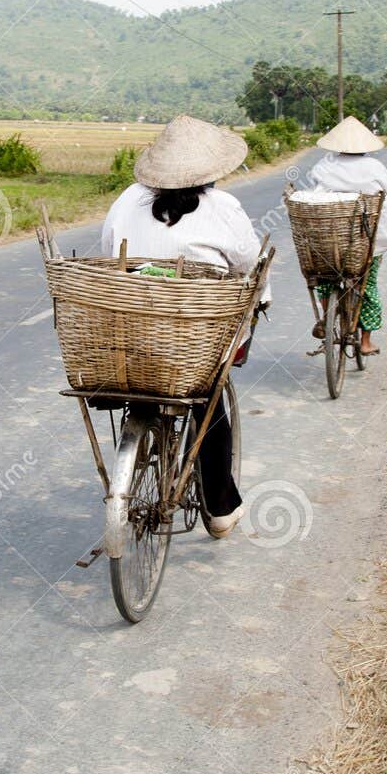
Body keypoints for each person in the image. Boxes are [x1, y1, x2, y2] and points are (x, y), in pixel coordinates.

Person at [99, 114, 262, 538]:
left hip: (129, 336)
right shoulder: (222, 206)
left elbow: (107, 255)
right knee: (208, 399)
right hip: (190, 342)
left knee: (147, 380)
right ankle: (221, 509)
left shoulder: (126, 200)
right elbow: (248, 266)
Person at [301, 116, 387, 356]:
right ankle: (365, 342)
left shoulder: (324, 165)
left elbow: (313, 197)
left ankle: (326, 317)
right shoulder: (375, 167)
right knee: (368, 285)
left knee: (325, 280)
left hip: (328, 240)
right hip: (364, 242)